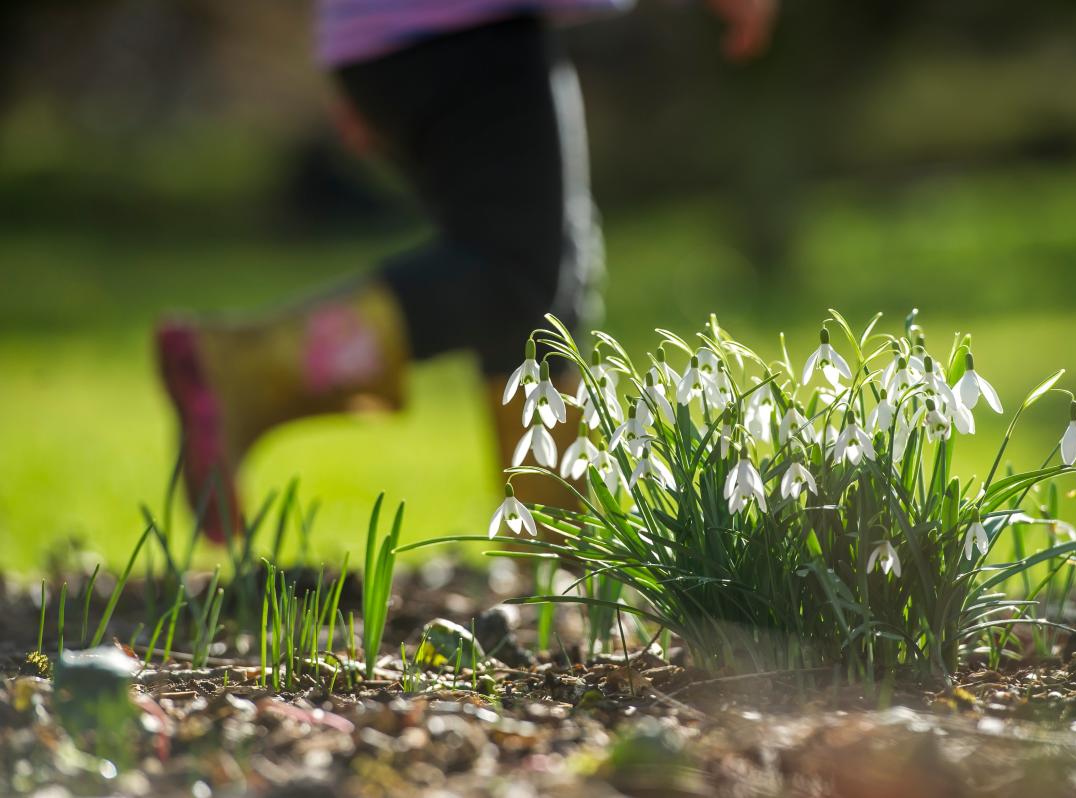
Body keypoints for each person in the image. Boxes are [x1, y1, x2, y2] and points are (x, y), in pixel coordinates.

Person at [156, 0, 777, 540]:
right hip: (459, 28)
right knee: (516, 274)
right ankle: (242, 367)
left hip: (409, 33)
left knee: (549, 278)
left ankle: (554, 557)